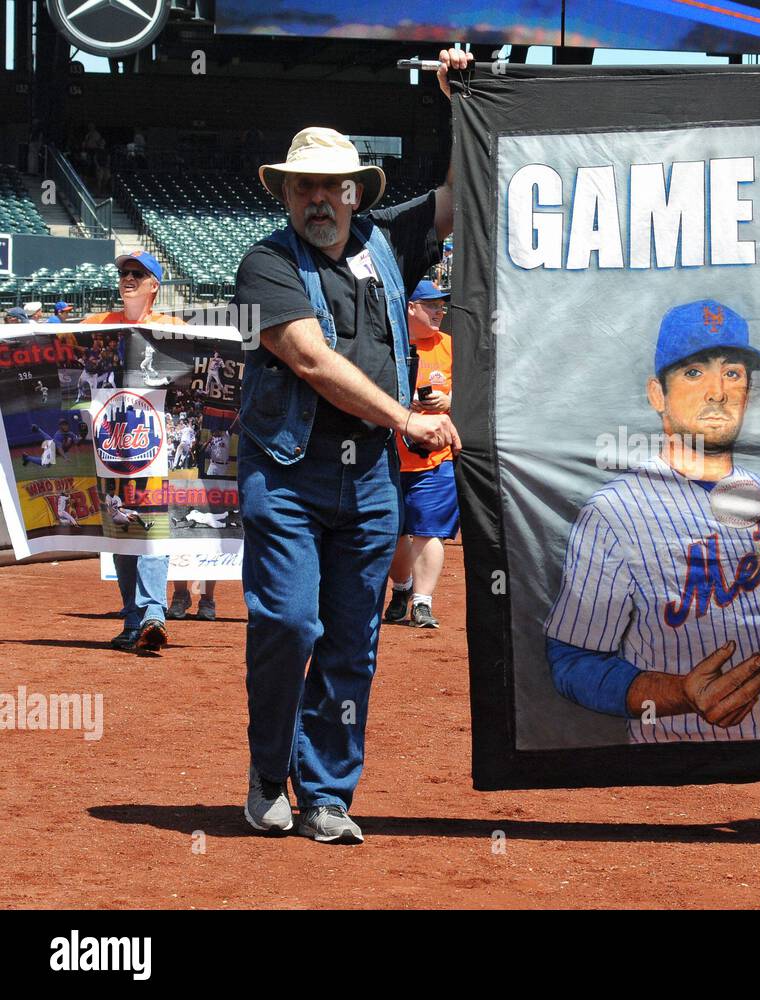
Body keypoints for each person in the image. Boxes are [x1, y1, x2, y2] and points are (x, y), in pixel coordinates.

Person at [230, 48, 469, 846]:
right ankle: (270, 771)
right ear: (287, 194)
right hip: (289, 476)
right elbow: (308, 359)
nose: (319, 199)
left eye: (332, 185)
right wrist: (406, 418)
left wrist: (459, 101)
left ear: (356, 190)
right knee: (289, 624)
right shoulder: (263, 263)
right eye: (304, 186)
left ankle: (326, 793)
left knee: (353, 643)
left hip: (368, 480)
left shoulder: (387, 240)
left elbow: (463, 196)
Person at [543, 299, 760, 743]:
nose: (718, 391)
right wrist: (680, 694)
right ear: (658, 394)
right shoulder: (614, 512)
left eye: (732, 373)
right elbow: (573, 661)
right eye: (694, 372)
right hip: (673, 769)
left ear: (749, 390)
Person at [84, 250, 184, 654]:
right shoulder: (95, 324)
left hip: (153, 449)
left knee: (151, 530)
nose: (128, 278)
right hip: (108, 449)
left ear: (154, 285)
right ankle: (132, 619)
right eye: (124, 272)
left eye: (137, 274)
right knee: (122, 536)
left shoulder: (172, 327)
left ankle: (153, 613)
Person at [383, 281, 459, 629]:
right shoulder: (389, 343)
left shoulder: (449, 347)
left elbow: (475, 393)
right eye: (431, 305)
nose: (440, 311)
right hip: (388, 458)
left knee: (429, 531)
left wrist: (450, 402)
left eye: (442, 306)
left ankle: (423, 602)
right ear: (410, 307)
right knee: (394, 533)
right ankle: (403, 587)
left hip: (434, 459)